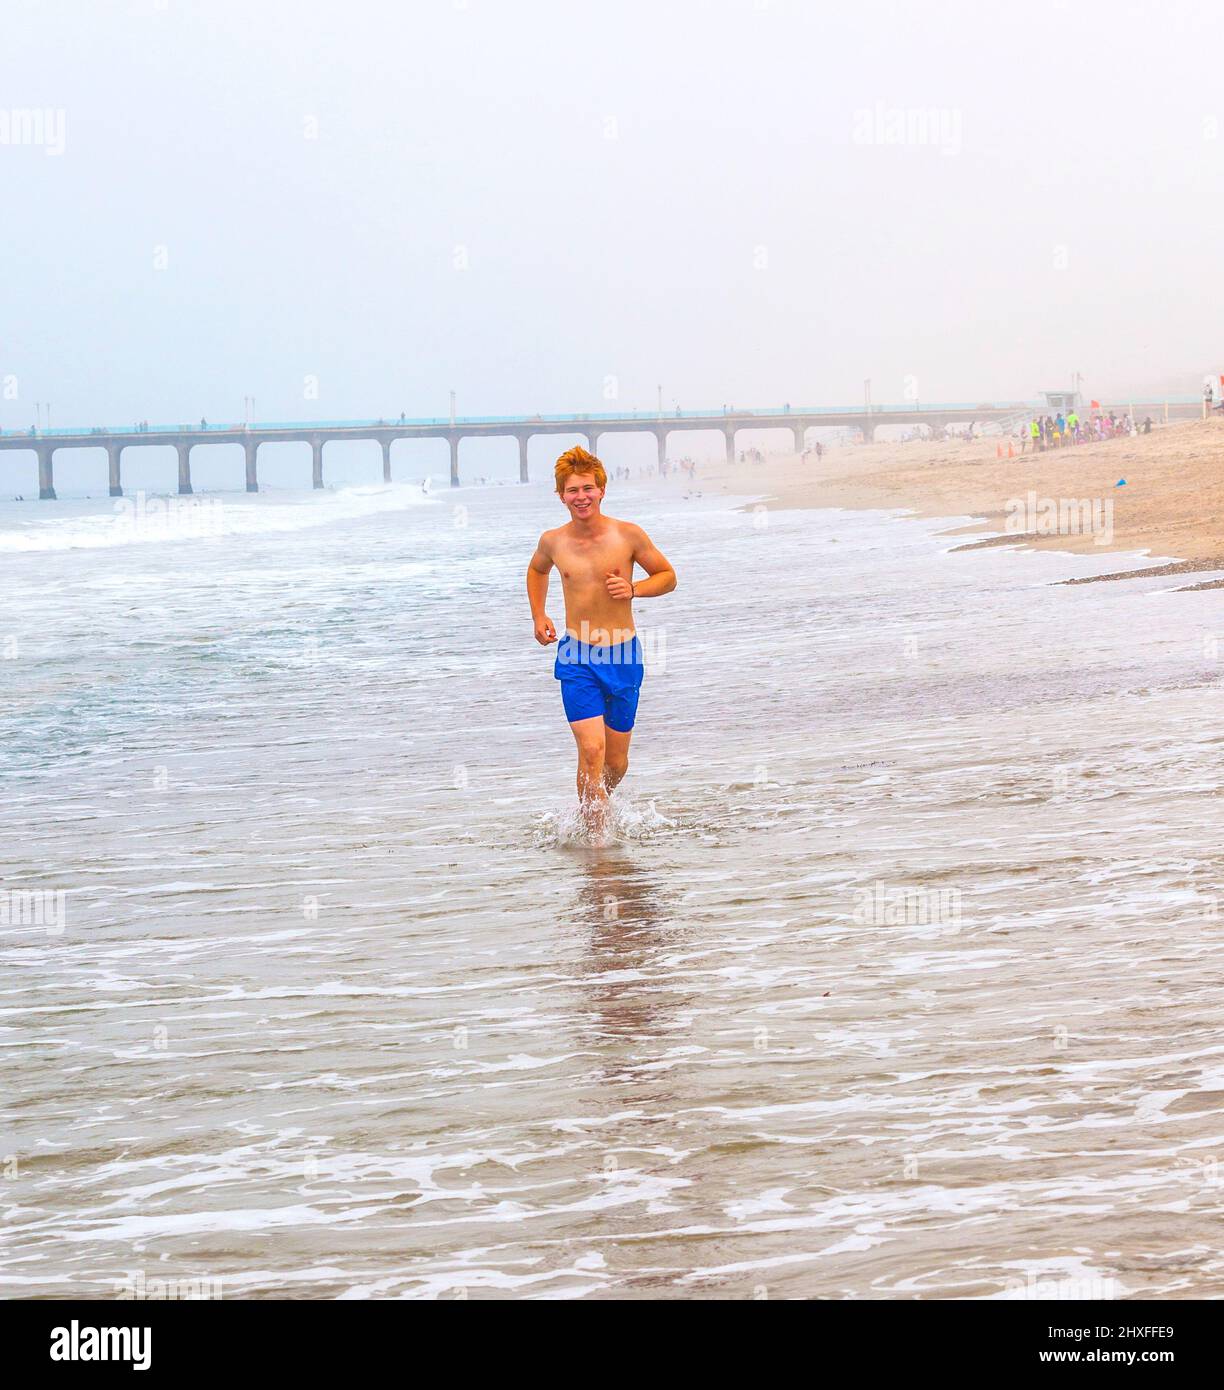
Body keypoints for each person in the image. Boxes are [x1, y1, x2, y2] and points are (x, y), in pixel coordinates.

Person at [526, 446, 677, 833]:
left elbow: (667, 576)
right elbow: (537, 570)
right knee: (591, 750)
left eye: (588, 488)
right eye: (573, 490)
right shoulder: (553, 541)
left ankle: (592, 807)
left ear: (602, 490)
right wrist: (540, 614)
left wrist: (634, 588)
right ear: (561, 495)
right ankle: (597, 841)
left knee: (615, 762)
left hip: (624, 655)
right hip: (577, 655)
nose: (581, 497)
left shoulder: (627, 535)